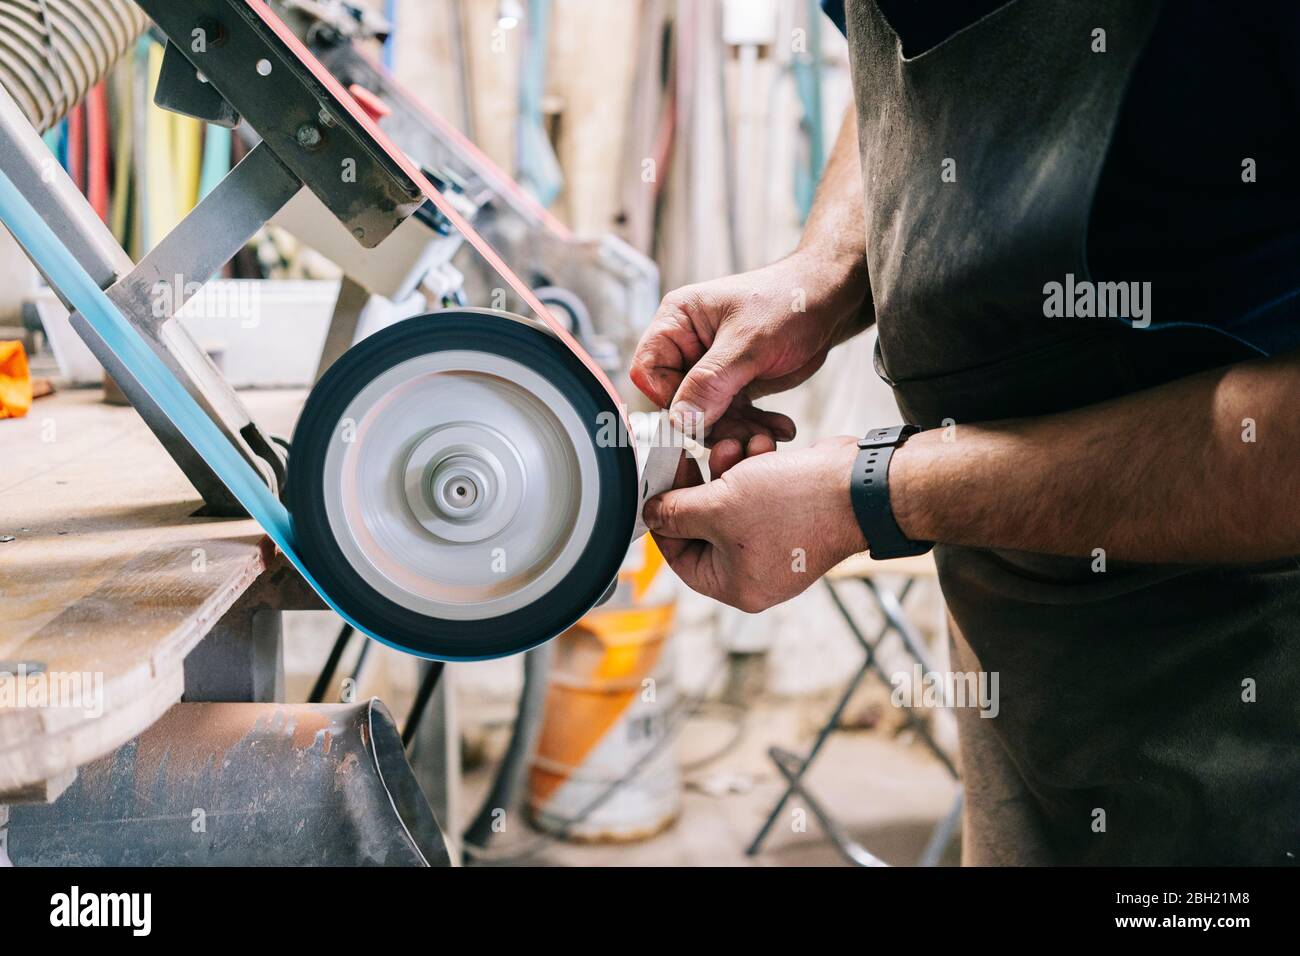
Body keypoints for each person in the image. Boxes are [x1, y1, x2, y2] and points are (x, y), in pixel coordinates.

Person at [630, 0, 1300, 864]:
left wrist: (873, 494)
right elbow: (915, 98)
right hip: (1008, 612)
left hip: (1246, 680)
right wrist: (819, 276)